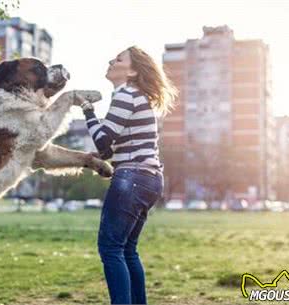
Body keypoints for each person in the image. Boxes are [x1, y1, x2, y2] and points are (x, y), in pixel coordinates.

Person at [75, 46, 177, 304]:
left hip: (132, 177)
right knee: (127, 250)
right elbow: (108, 149)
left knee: (110, 249)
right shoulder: (135, 97)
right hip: (149, 179)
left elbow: (101, 143)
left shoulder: (126, 95)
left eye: (118, 59)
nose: (111, 60)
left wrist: (87, 110)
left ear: (131, 71)